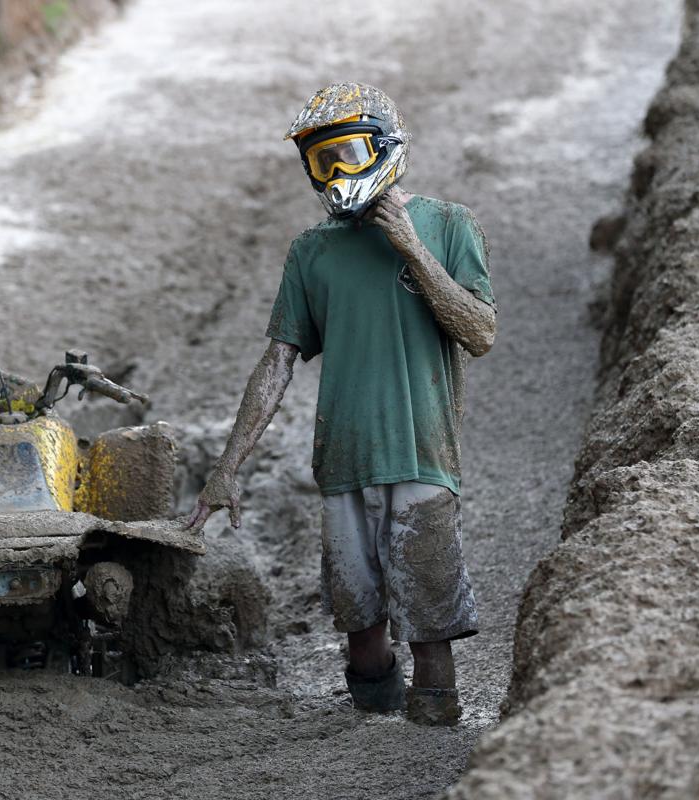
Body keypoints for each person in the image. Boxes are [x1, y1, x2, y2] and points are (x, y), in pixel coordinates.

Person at [185, 82, 496, 725]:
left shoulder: (449, 224)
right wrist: (226, 469)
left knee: (430, 626)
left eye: (347, 154)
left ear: (385, 144)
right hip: (343, 462)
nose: (335, 174)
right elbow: (277, 361)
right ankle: (370, 727)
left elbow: (481, 332)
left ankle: (430, 726)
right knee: (360, 628)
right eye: (321, 161)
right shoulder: (311, 251)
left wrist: (411, 248)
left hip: (421, 457)